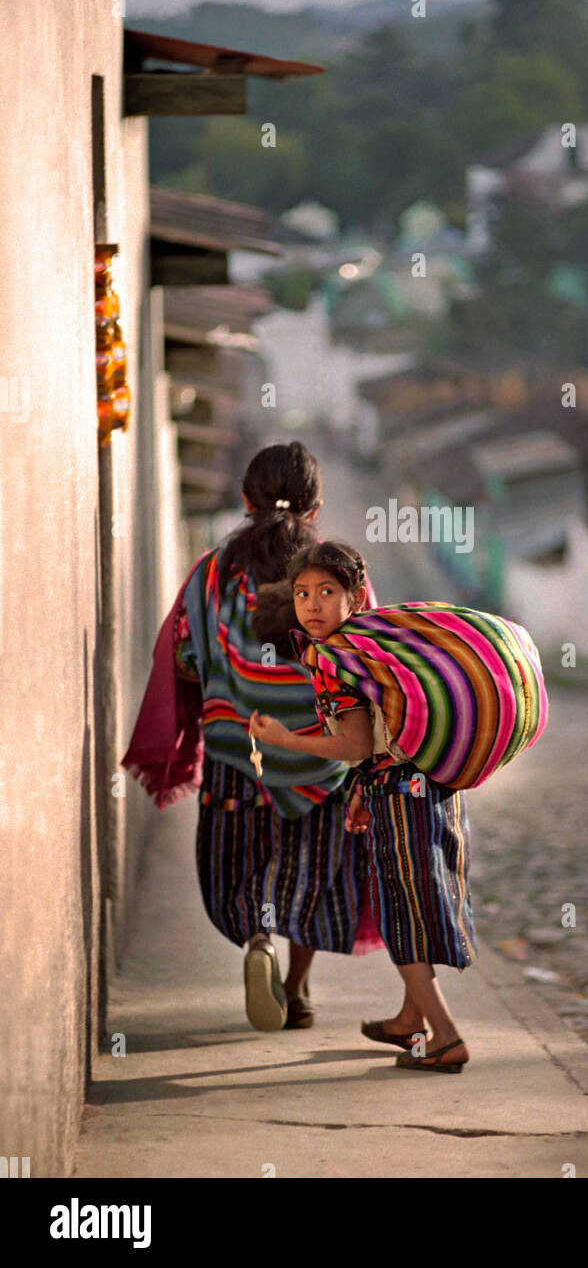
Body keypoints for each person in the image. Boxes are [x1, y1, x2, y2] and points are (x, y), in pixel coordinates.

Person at [123, 443, 382, 1034]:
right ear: (316, 505)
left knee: (240, 861)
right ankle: (297, 988)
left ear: (245, 499)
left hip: (238, 754)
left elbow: (187, 656)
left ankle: (258, 939)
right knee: (311, 870)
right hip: (324, 757)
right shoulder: (337, 573)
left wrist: (231, 674)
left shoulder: (214, 571)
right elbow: (374, 656)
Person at [250, 541, 477, 1074]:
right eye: (302, 593)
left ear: (354, 597)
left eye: (327, 592)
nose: (312, 605)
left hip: (400, 801)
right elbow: (384, 730)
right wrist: (360, 789)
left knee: (403, 914)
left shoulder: (335, 660)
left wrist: (286, 738)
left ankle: (445, 1036)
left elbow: (353, 743)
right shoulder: (376, 646)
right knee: (425, 904)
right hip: (435, 788)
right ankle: (409, 1021)